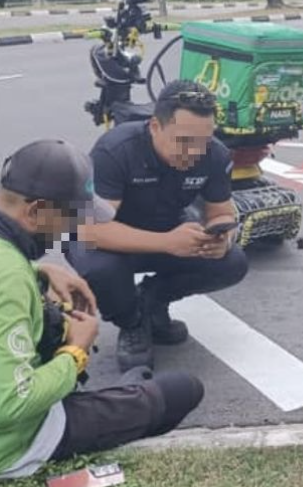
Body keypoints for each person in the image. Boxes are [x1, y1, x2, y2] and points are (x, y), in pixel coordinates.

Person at [0, 140, 204, 483]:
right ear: (36, 211)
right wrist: (75, 353)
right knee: (182, 389)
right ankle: (125, 395)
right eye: (70, 217)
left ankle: (123, 392)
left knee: (116, 379)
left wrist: (38, 272)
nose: (71, 229)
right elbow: (8, 405)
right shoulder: (4, 274)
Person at [69, 80, 249, 372]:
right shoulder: (116, 149)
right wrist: (167, 242)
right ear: (155, 126)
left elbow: (221, 212)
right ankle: (132, 322)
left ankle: (152, 300)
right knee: (102, 270)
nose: (193, 153)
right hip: (107, 235)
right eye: (183, 141)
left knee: (232, 262)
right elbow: (90, 229)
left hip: (167, 227)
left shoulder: (214, 154)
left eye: (203, 142)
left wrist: (222, 236)